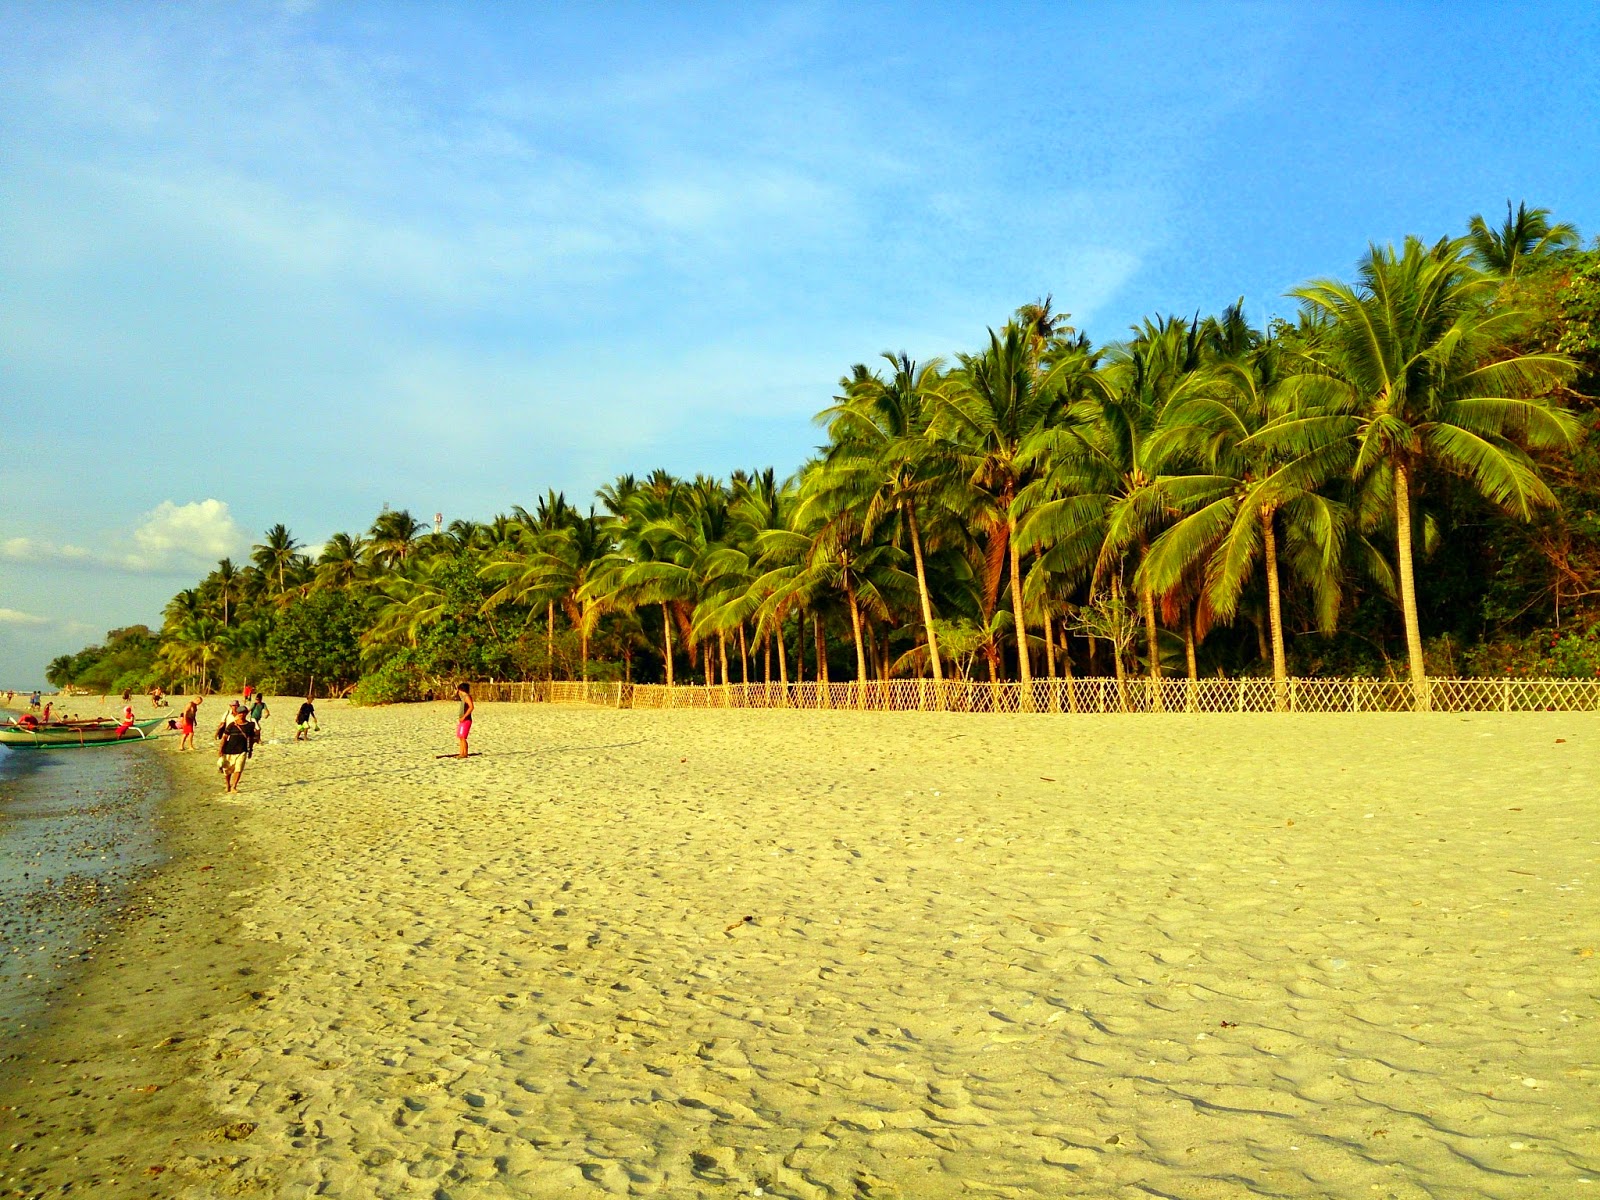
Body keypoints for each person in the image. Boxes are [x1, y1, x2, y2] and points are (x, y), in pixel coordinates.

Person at [215, 709, 252, 794]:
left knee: (238, 769)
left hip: (242, 750)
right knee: (227, 770)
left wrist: (250, 750)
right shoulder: (232, 725)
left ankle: (234, 786)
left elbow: (251, 739)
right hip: (229, 749)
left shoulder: (250, 725)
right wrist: (220, 749)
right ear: (238, 714)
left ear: (246, 714)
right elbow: (224, 737)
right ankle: (228, 784)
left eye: (243, 713)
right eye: (240, 713)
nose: (241, 715)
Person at [455, 682, 474, 758]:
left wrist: (464, 717)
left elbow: (471, 707)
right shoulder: (463, 697)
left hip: (466, 720)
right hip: (462, 720)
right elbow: (457, 696)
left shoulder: (467, 697)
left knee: (463, 737)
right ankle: (461, 753)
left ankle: (465, 753)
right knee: (460, 737)